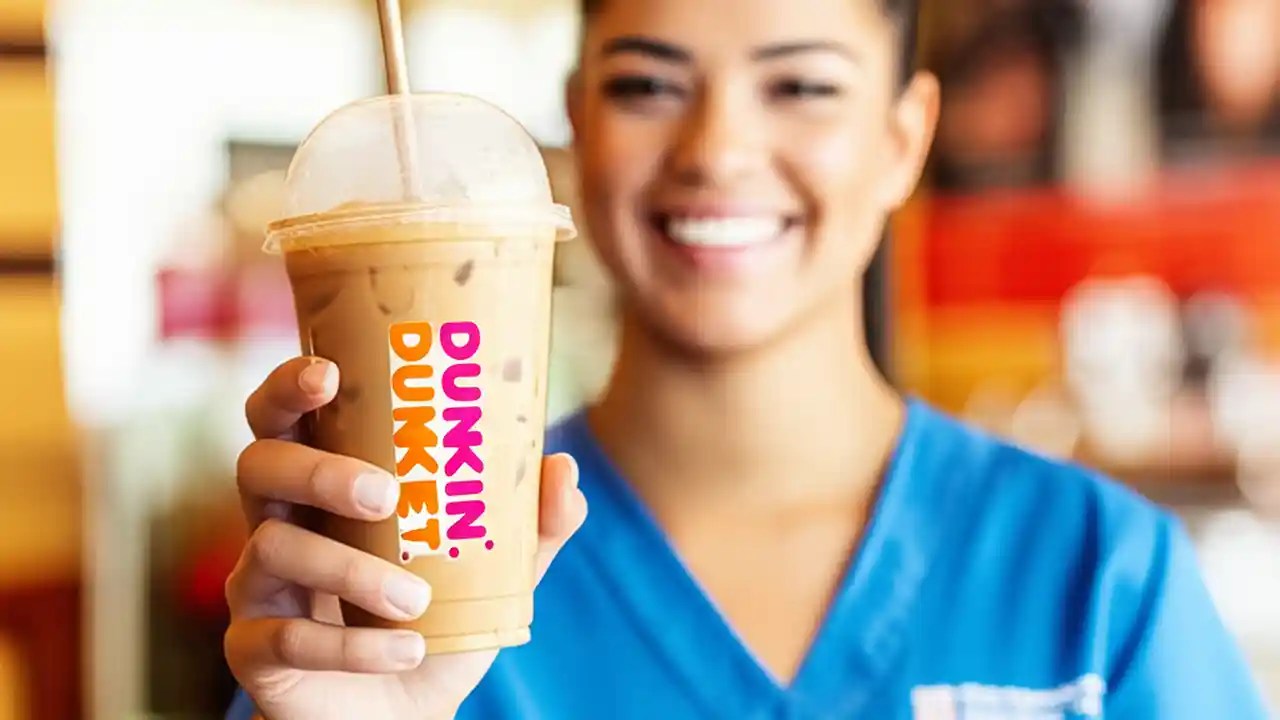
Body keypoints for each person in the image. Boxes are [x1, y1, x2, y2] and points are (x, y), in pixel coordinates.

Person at [224, 0, 1271, 717]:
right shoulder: (395, 591)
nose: (716, 150)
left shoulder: (1098, 581)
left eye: (801, 86)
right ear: (577, 124)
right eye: (647, 84)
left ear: (903, 139)